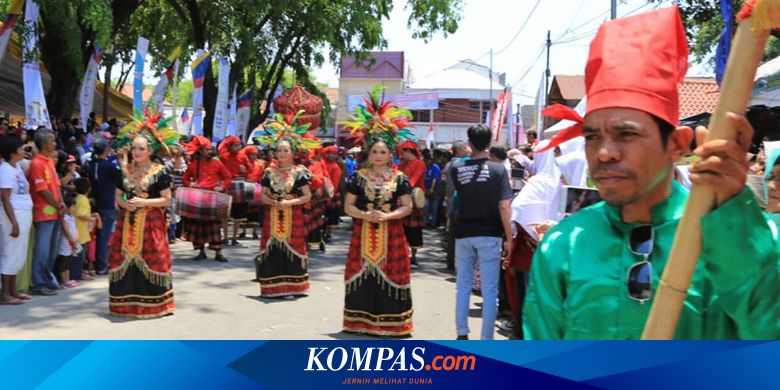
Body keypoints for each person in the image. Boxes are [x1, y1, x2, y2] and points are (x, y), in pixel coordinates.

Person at [523, 6, 779, 339]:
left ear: (677, 144)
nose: (604, 153)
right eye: (592, 137)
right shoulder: (563, 246)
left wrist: (735, 223)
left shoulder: (746, 235)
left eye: (626, 134)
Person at [340, 86, 416, 337]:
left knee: (391, 274)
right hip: (362, 234)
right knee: (361, 274)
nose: (378, 155)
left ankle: (393, 325)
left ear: (391, 153)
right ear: (368, 153)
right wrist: (364, 215)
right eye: (374, 151)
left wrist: (387, 216)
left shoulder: (400, 178)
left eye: (383, 152)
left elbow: (407, 206)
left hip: (392, 235)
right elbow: (348, 206)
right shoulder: (358, 177)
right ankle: (359, 323)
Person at [108, 111, 179, 318]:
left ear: (150, 151)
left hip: (151, 223)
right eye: (134, 148)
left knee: (154, 258)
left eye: (141, 148)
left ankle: (156, 306)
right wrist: (125, 204)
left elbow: (166, 199)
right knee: (121, 259)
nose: (136, 152)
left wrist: (143, 202)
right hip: (127, 222)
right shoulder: (126, 170)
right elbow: (118, 195)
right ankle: (125, 305)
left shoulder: (160, 171)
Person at [450, 124, 514, 340]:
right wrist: (510, 237)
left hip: (464, 232)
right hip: (490, 233)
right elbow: (504, 205)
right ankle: (486, 338)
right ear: (490, 142)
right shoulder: (499, 170)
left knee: (463, 287)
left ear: (469, 143)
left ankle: (461, 332)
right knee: (490, 290)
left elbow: (455, 197)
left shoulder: (456, 168)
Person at [255, 112, 319, 298]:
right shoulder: (268, 173)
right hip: (273, 215)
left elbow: (307, 196)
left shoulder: (300, 172)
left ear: (293, 152)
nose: (281, 154)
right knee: (273, 248)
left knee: (293, 247)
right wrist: (273, 202)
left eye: (285, 150)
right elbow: (263, 195)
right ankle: (272, 288)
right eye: (279, 150)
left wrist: (289, 202)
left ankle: (294, 287)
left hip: (293, 215)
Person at [181, 136, 232, 262]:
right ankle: (201, 251)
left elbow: (227, 177)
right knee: (198, 226)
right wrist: (190, 184)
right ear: (200, 151)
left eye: (211, 149)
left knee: (215, 226)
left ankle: (218, 253)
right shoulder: (193, 164)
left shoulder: (217, 163)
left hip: (212, 198)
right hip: (197, 199)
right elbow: (185, 179)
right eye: (207, 149)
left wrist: (222, 187)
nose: (210, 151)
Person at [28, 128, 64, 296]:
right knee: (42, 250)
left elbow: (56, 186)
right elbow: (42, 190)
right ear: (43, 144)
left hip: (55, 212)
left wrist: (61, 204)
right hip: (43, 213)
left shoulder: (49, 161)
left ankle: (48, 279)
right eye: (52, 141)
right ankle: (39, 283)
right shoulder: (36, 163)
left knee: (51, 250)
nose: (54, 144)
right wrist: (58, 205)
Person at [0, 137, 34, 304]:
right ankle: (5, 293)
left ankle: (13, 290)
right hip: (14, 215)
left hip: (23, 212)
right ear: (12, 153)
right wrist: (13, 222)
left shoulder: (17, 167)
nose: (23, 151)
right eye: (20, 149)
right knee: (11, 251)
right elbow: (5, 198)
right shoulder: (5, 170)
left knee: (19, 252)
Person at [89, 139, 120, 275]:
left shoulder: (92, 165)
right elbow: (122, 177)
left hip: (95, 204)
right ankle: (101, 265)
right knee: (104, 237)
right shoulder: (108, 166)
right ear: (106, 150)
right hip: (107, 205)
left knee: (96, 236)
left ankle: (96, 264)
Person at [398, 141, 426, 267]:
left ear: (408, 151)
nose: (401, 155)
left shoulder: (419, 163)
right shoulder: (402, 164)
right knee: (402, 228)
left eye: (402, 153)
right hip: (402, 199)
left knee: (413, 230)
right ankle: (403, 254)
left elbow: (412, 181)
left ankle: (413, 256)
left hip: (413, 201)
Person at [55, 196, 81, 288]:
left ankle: (68, 279)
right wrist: (72, 239)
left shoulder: (72, 217)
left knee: (68, 262)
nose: (74, 209)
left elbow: (75, 228)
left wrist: (76, 239)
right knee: (63, 262)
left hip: (72, 242)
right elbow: (66, 230)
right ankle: (63, 280)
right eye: (73, 207)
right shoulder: (64, 218)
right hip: (66, 242)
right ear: (67, 207)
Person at [322, 145, 342, 243]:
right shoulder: (323, 164)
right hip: (322, 193)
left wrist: (330, 197)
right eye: (331, 153)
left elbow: (335, 183)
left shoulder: (336, 167)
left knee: (331, 215)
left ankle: (328, 234)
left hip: (331, 194)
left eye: (335, 154)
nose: (333, 156)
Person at [423, 154, 441, 228]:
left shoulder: (435, 167)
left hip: (435, 190)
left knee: (434, 208)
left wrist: (432, 189)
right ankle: (426, 222)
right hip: (425, 190)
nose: (426, 162)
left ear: (431, 160)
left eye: (427, 160)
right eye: (425, 160)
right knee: (426, 206)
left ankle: (433, 223)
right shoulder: (424, 167)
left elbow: (435, 179)